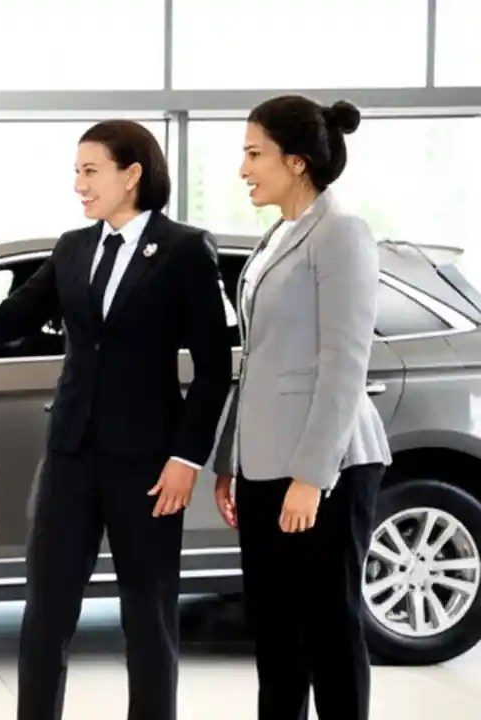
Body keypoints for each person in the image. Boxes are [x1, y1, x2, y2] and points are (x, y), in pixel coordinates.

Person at [0, 120, 232, 720]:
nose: (78, 184)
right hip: (71, 456)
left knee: (147, 618)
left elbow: (212, 366)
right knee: (45, 614)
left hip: (148, 465)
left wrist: (186, 458)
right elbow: (6, 319)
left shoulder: (183, 250)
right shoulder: (74, 248)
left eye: (89, 170)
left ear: (132, 175)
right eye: (75, 171)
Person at [213, 96, 391, 720]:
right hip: (266, 463)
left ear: (297, 161)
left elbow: (344, 361)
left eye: (254, 153)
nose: (243, 168)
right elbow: (259, 358)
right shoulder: (280, 232)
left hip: (326, 467)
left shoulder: (342, 231)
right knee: (275, 635)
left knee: (330, 632)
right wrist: (230, 460)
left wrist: (312, 476)